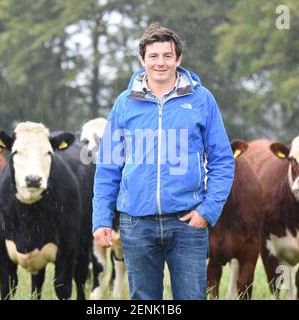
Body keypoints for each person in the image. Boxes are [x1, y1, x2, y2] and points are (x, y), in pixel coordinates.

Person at [92, 22, 235, 300]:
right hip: (136, 223)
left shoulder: (201, 100)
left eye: (167, 56)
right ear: (142, 60)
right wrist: (101, 219)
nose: (160, 62)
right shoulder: (125, 103)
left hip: (187, 223)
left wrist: (208, 210)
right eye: (154, 56)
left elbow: (222, 161)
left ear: (178, 59)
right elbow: (108, 166)